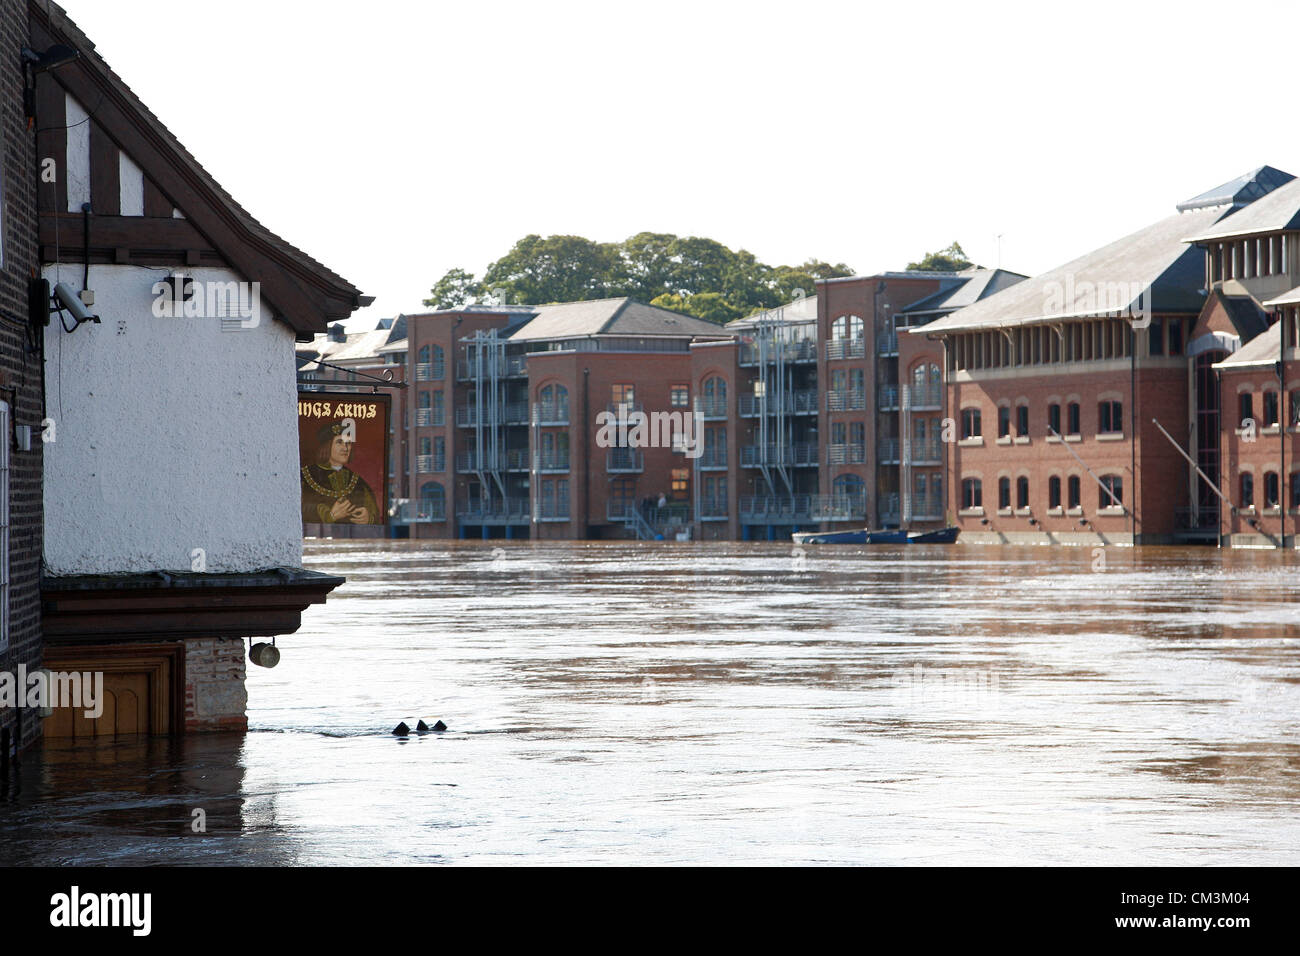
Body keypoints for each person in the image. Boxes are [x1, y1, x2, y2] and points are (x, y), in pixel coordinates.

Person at [301, 420, 380, 524]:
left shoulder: (356, 480)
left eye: (348, 443)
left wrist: (369, 518)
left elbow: (375, 513)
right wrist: (330, 515)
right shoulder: (305, 476)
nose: (345, 448)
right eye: (339, 442)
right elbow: (297, 510)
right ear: (327, 446)